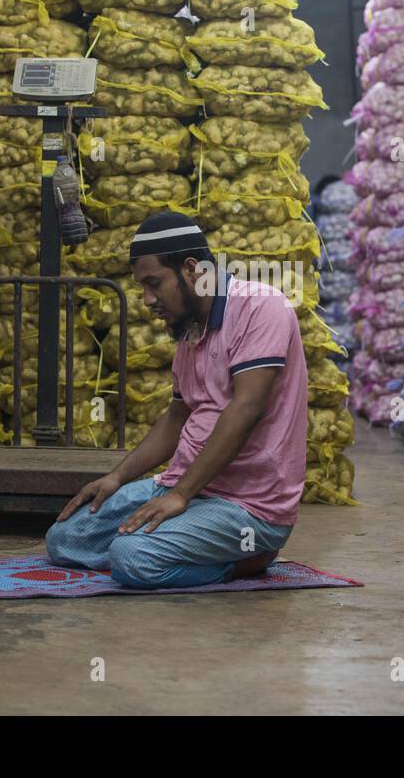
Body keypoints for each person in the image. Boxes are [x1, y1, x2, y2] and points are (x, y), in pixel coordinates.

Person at [45, 212, 308, 589]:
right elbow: (178, 416)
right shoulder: (190, 329)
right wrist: (117, 477)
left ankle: (249, 558)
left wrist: (182, 494)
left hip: (247, 506)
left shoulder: (261, 307)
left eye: (154, 284)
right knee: (64, 539)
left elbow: (246, 408)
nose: (148, 300)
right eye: (142, 287)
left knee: (131, 559)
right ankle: (180, 543)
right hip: (184, 485)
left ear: (191, 269)